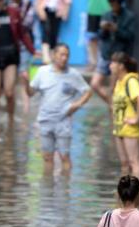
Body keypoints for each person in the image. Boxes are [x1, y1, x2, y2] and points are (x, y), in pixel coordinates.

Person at [24, 43, 92, 173]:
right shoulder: (43, 72)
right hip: (45, 119)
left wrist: (77, 105)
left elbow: (88, 91)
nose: (64, 58)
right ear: (53, 55)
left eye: (67, 55)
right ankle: (48, 187)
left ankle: (65, 189)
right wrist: (25, 83)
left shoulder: (73, 74)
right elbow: (31, 93)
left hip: (64, 120)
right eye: (61, 54)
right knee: (47, 157)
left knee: (64, 156)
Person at [92, 0, 136, 103]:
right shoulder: (106, 15)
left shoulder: (129, 17)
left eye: (115, 5)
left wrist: (117, 30)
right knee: (95, 84)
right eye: (111, 5)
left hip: (118, 56)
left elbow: (130, 36)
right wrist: (104, 29)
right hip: (105, 53)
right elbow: (101, 36)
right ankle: (111, 103)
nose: (113, 7)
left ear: (120, 4)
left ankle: (113, 109)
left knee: (113, 88)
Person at [110, 53, 139, 178]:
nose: (110, 66)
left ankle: (136, 193)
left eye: (113, 63)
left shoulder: (131, 81)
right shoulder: (119, 82)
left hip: (129, 128)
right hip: (119, 128)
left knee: (134, 162)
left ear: (121, 66)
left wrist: (136, 118)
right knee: (124, 164)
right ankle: (124, 192)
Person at [9, 0, 35, 114]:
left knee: (24, 74)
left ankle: (26, 108)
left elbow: (26, 24)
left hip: (24, 43)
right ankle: (11, 105)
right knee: (10, 76)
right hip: (10, 44)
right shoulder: (7, 4)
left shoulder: (28, 4)